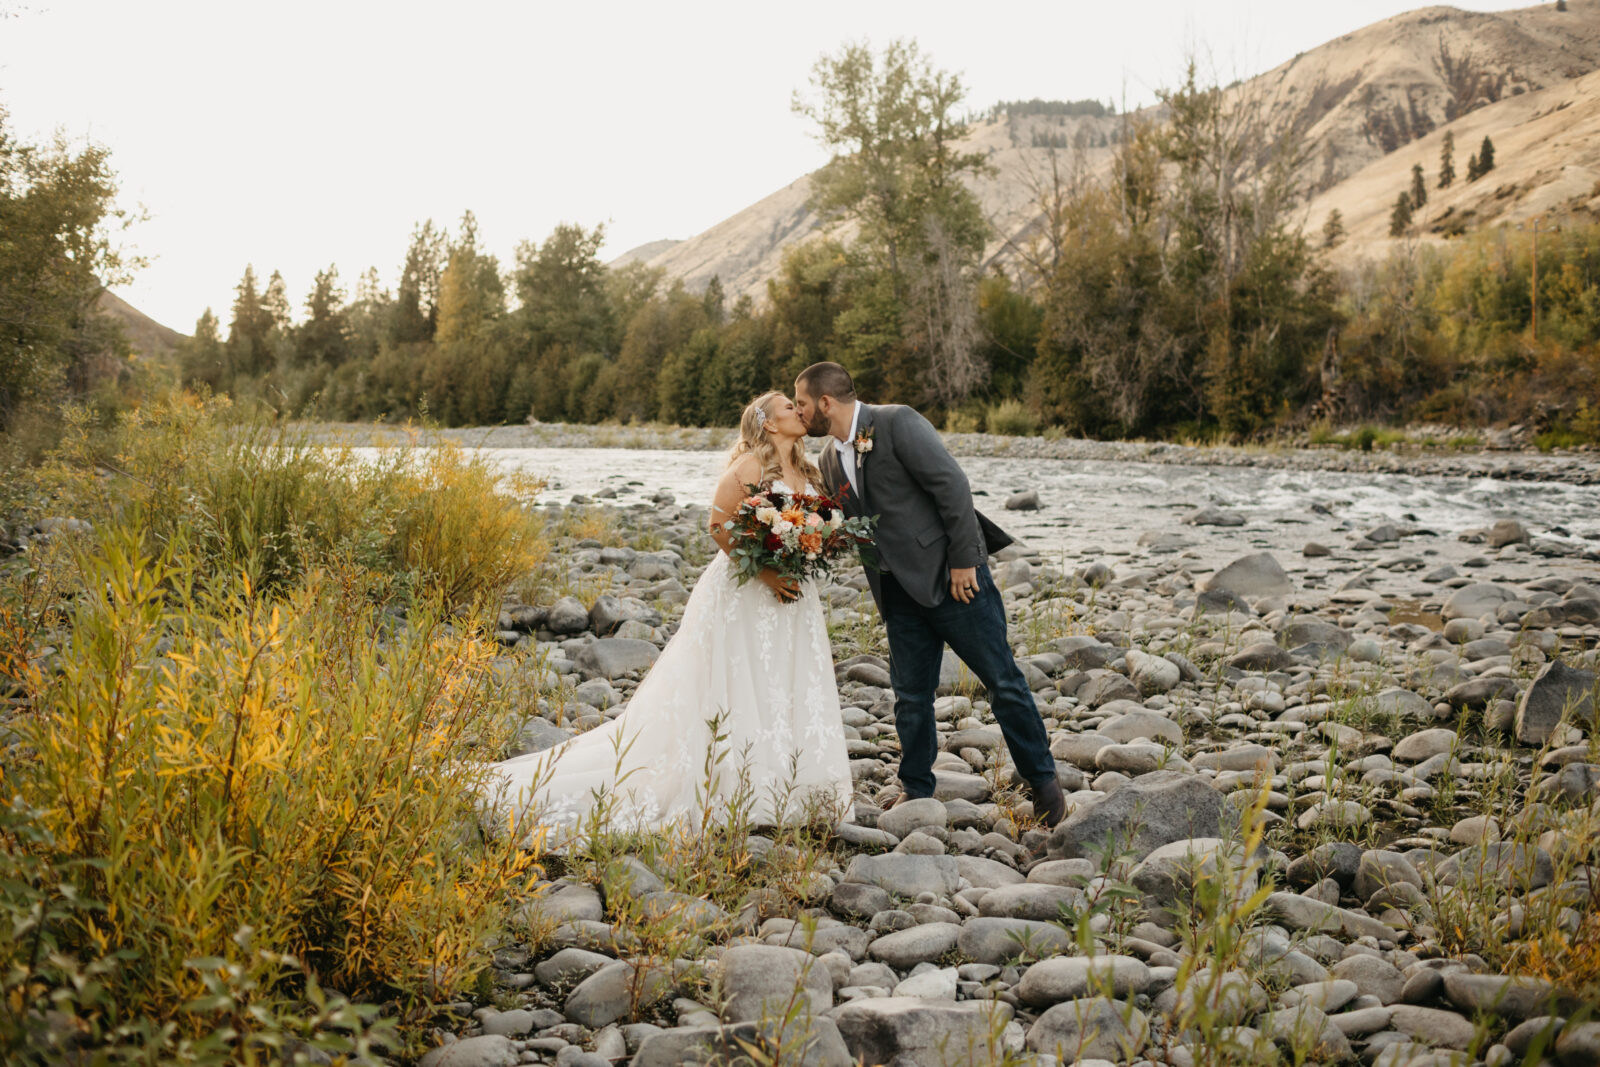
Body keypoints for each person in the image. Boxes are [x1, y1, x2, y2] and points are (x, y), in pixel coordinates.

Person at [481, 392, 854, 839]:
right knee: (740, 682)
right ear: (770, 425)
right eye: (788, 407)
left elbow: (816, 522)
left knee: (784, 679)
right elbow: (719, 525)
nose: (799, 410)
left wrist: (816, 543)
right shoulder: (750, 465)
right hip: (749, 591)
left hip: (795, 595)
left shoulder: (807, 468)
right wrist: (770, 573)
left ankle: (788, 788)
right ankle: (735, 787)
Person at [793, 362, 1066, 828]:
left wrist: (964, 561)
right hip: (896, 591)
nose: (798, 412)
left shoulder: (896, 422)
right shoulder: (829, 458)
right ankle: (916, 786)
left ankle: (1046, 787)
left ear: (825, 403)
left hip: (953, 579)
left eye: (800, 403)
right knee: (910, 696)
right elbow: (849, 521)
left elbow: (952, 485)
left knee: (1002, 682)